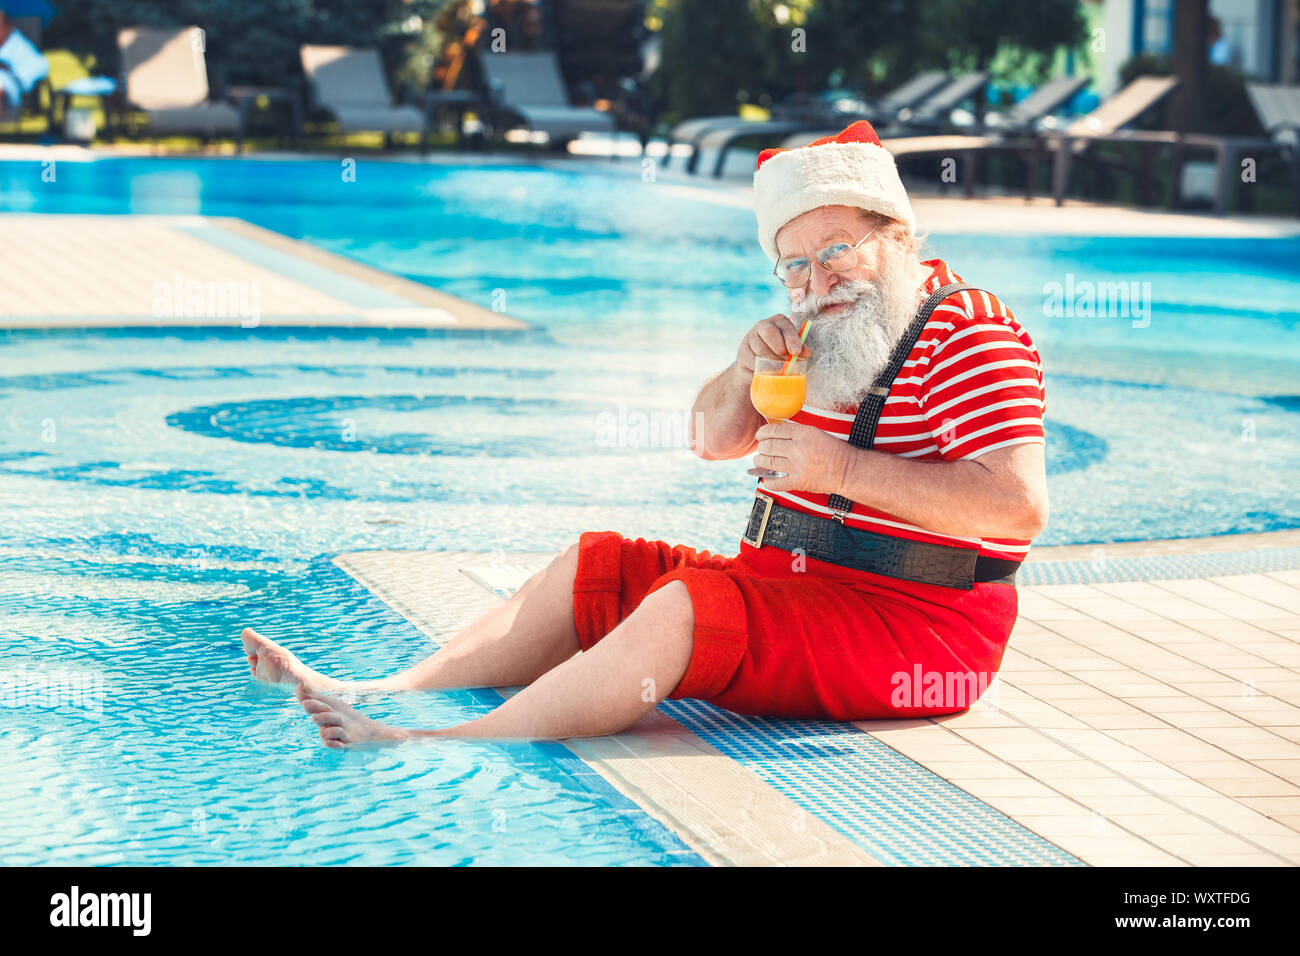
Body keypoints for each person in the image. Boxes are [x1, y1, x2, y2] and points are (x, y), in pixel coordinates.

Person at [242, 119, 1049, 746]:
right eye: (795, 264)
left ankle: (429, 740)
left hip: (921, 630)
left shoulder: (969, 333)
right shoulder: (822, 331)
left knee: (684, 609)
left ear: (897, 238)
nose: (817, 282)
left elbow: (1018, 508)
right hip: (801, 585)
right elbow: (710, 440)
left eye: (836, 251)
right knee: (599, 565)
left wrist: (838, 466)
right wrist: (739, 373)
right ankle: (386, 691)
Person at [0, 13, 49, 112]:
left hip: (10, 85)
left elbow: (41, 66)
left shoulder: (20, 46)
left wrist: (10, 69)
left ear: (8, 28)